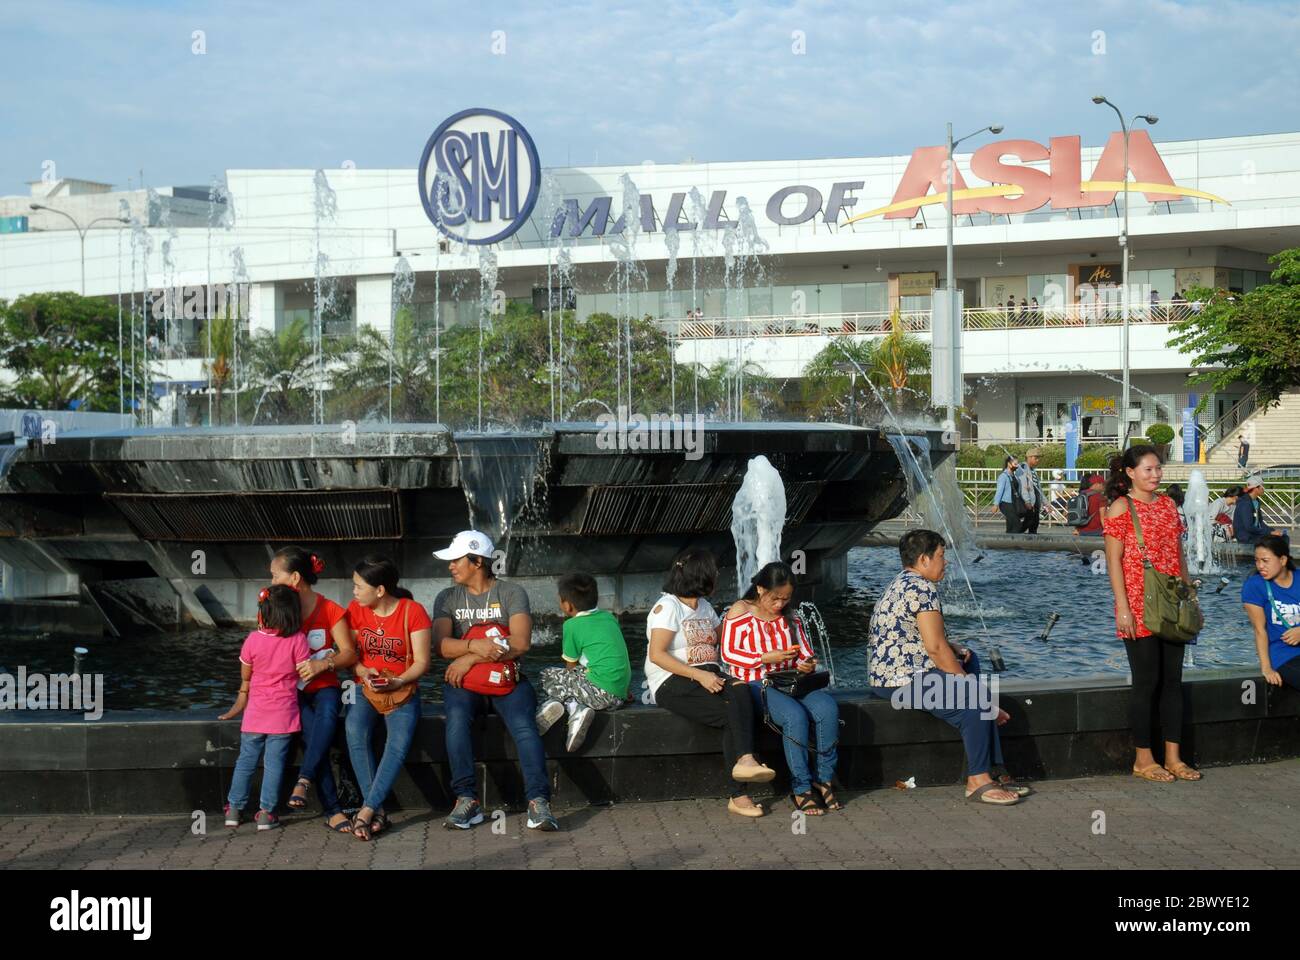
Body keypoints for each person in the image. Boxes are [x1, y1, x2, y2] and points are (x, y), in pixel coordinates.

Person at [866, 529, 1027, 805]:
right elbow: (935, 649)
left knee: (968, 660)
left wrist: (955, 650)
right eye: (942, 555)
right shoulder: (922, 588)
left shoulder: (903, 582)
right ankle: (977, 780)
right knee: (974, 698)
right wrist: (979, 697)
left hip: (892, 677)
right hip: (901, 683)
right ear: (924, 559)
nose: (946, 561)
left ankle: (992, 766)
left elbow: (927, 639)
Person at [432, 530, 558, 832]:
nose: (450, 566)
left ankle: (538, 802)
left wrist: (470, 657)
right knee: (457, 720)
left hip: (507, 680)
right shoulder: (447, 597)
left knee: (524, 726)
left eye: (455, 560)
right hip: (465, 683)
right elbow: (440, 646)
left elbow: (522, 643)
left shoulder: (511, 593)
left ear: (477, 561)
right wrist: (474, 647)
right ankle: (466, 799)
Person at [645, 547, 775, 817]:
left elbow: (726, 639)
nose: (717, 575)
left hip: (708, 674)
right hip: (673, 680)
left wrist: (756, 610)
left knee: (740, 690)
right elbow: (656, 655)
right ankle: (740, 788)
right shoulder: (667, 607)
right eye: (713, 572)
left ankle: (744, 767)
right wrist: (699, 675)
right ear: (701, 576)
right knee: (734, 714)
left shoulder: (704, 607)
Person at [1102, 445, 1201, 783]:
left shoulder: (1168, 505)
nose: (1156, 475)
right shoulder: (1120, 507)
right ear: (1130, 473)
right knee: (1146, 683)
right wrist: (1123, 609)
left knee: (1174, 682)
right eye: (1148, 469)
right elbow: (1113, 562)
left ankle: (1173, 757)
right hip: (1138, 605)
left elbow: (1179, 555)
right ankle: (1144, 759)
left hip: (1171, 602)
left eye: (1158, 468)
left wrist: (1190, 597)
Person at [721, 561, 841, 815]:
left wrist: (807, 663)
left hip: (792, 682)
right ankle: (801, 788)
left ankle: (824, 777)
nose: (780, 605)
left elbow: (804, 652)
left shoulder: (790, 616)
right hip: (755, 682)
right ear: (761, 589)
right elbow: (729, 654)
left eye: (785, 599)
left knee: (828, 708)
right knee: (794, 716)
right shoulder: (741, 611)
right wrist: (765, 658)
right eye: (776, 598)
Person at [344, 555, 432, 840]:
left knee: (398, 743)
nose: (354, 592)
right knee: (354, 730)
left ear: (380, 590)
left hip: (402, 690)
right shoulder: (356, 611)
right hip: (365, 687)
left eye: (359, 586)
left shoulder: (413, 612)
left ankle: (367, 810)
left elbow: (421, 663)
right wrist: (363, 670)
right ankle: (377, 810)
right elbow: (351, 657)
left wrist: (397, 680)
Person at [270, 546, 356, 834]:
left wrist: (323, 665)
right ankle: (331, 809)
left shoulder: (331, 610)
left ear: (295, 578)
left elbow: (349, 654)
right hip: (290, 689)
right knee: (311, 734)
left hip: (324, 684)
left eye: (275, 576)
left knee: (329, 710)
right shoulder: (274, 609)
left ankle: (304, 781)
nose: (271, 583)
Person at [219, 584, 311, 830]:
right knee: (274, 764)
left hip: (255, 714)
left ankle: (234, 809)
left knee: (246, 761)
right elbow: (305, 673)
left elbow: (246, 673)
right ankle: (266, 813)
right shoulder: (298, 640)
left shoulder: (252, 640)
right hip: (283, 716)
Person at [535, 573, 631, 752]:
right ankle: (564, 705)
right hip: (619, 695)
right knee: (582, 674)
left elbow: (570, 666)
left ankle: (572, 707)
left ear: (567, 605)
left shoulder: (572, 626)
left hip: (598, 694)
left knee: (547, 675)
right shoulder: (609, 617)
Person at [1244, 535, 1300, 689]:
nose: (1260, 566)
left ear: (1282, 560)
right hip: (1285, 655)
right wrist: (1266, 668)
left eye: (1265, 561)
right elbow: (1259, 630)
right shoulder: (1255, 586)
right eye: (1257, 560)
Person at [1234, 474, 1283, 544]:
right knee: (1277, 542)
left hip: (1254, 534)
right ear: (1256, 488)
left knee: (1283, 537)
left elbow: (1260, 522)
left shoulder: (1256, 501)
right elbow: (1249, 527)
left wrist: (1272, 531)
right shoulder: (1245, 503)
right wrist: (1269, 532)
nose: (1264, 488)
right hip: (1246, 538)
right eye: (1262, 486)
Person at [1015, 447, 1045, 534]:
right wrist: (1027, 501)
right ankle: (1015, 535)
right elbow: (1023, 485)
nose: (1038, 460)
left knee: (1035, 523)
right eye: (1036, 458)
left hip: (1036, 502)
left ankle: (1032, 540)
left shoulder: (1033, 471)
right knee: (1028, 522)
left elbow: (1039, 489)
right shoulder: (1023, 468)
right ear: (1029, 457)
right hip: (1029, 502)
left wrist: (1046, 503)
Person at [994, 455, 1020, 533]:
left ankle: (1010, 542)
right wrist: (996, 504)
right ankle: (1016, 541)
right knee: (1016, 523)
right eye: (1015, 464)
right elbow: (999, 491)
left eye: (1017, 464)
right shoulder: (1003, 476)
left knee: (1010, 524)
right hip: (1006, 503)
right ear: (1009, 464)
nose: (1017, 466)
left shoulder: (1014, 476)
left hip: (1014, 502)